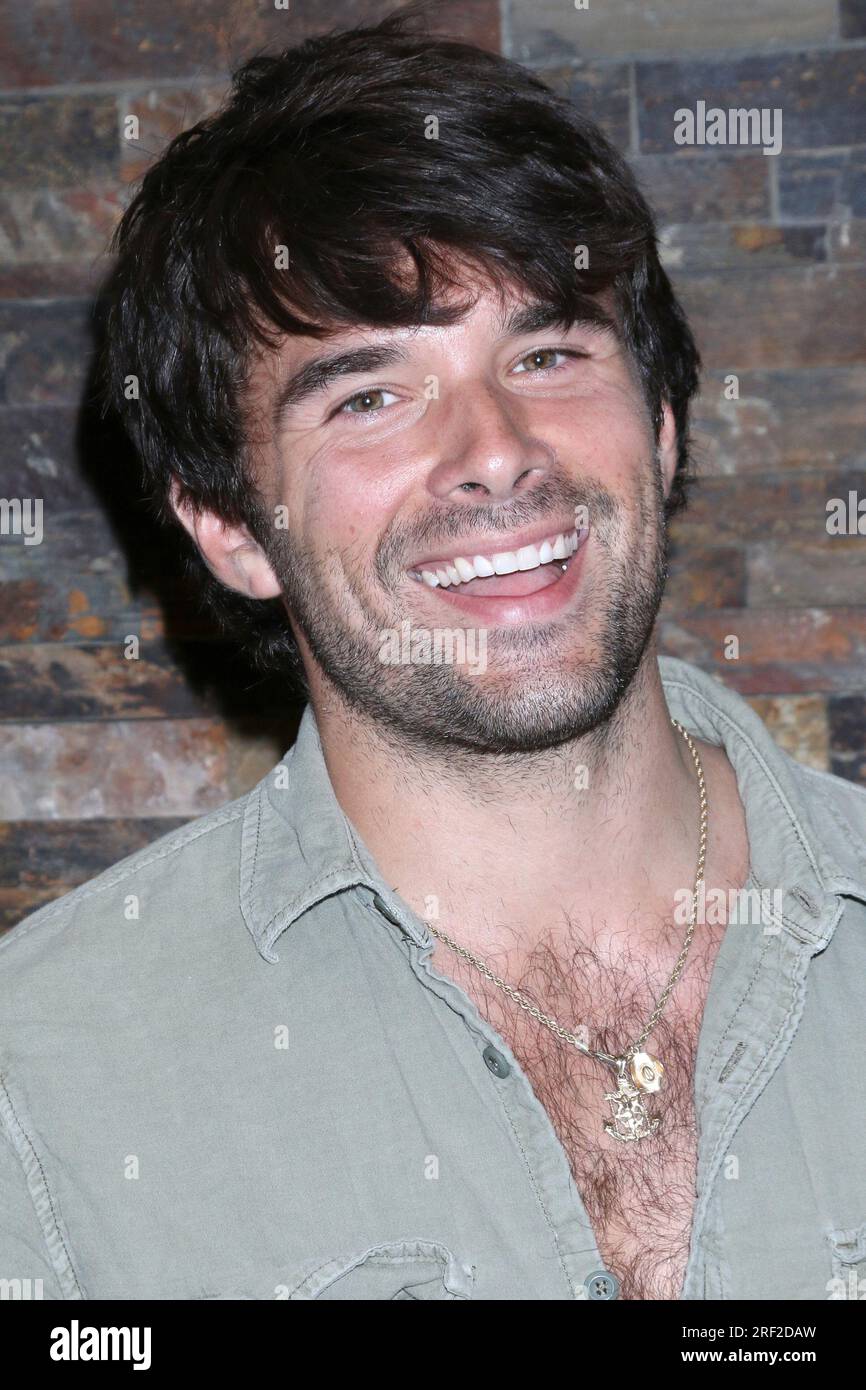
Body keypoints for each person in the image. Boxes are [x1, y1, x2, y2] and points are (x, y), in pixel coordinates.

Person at [2, 9, 864, 1303]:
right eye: (368, 395)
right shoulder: (48, 1081)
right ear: (231, 526)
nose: (496, 448)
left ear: (665, 427)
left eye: (548, 350)